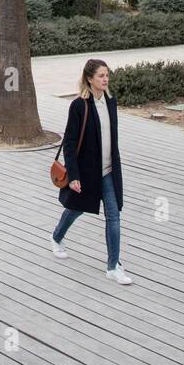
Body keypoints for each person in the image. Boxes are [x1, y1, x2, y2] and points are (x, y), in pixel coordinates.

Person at [51, 57, 131, 284]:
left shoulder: (110, 101)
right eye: (100, 76)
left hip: (109, 171)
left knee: (113, 216)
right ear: (89, 79)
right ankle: (56, 237)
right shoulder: (79, 106)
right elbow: (69, 142)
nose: (105, 79)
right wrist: (74, 175)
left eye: (107, 75)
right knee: (76, 208)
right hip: (87, 172)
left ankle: (113, 265)